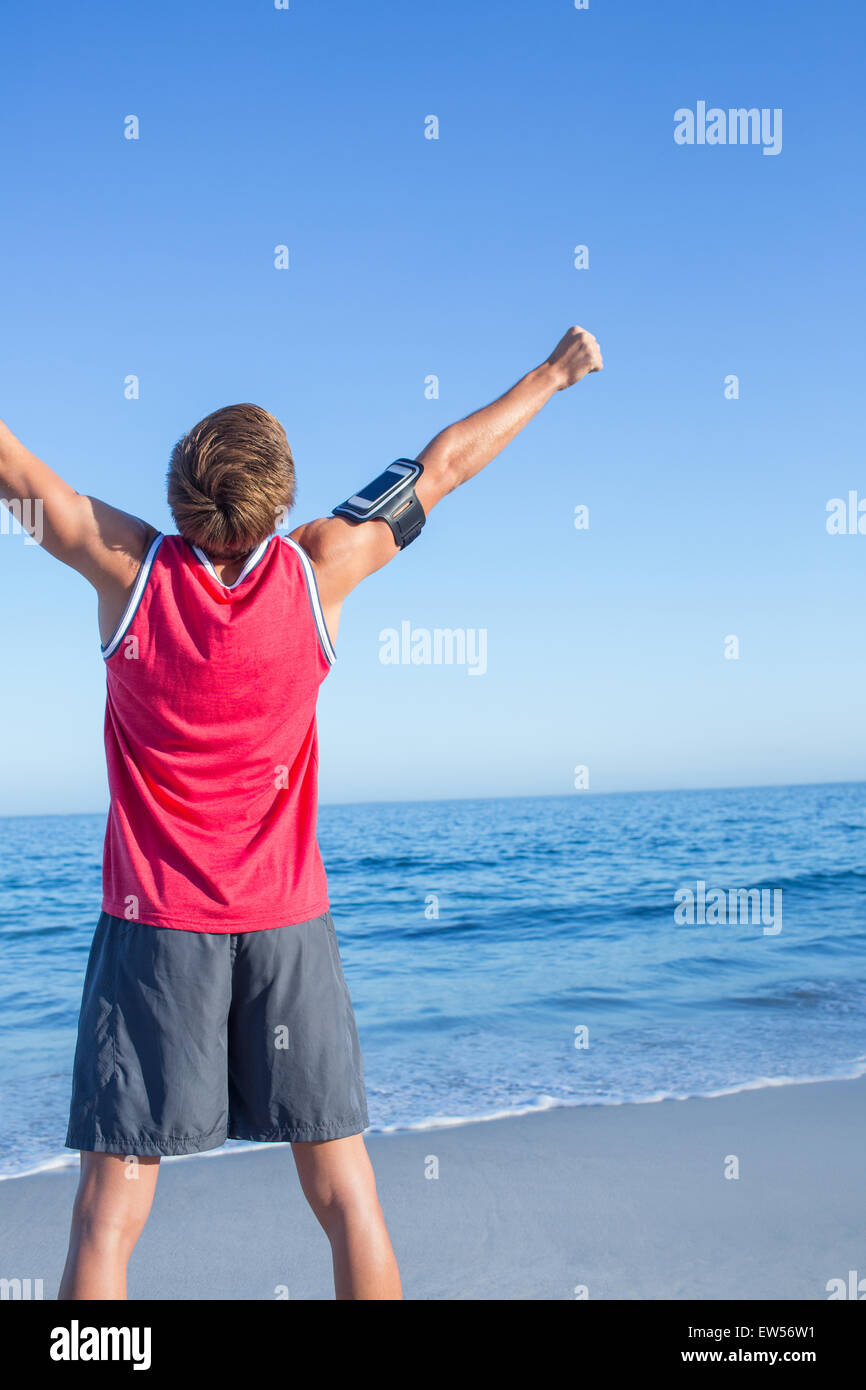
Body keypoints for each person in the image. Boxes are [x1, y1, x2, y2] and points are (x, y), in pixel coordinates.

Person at [0, 324, 602, 1301]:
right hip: (288, 928)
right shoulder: (321, 565)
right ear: (279, 504)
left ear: (178, 495)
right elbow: (446, 464)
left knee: (108, 1214)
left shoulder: (129, 570)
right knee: (345, 1195)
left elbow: (15, 471)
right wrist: (552, 374)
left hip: (155, 930)